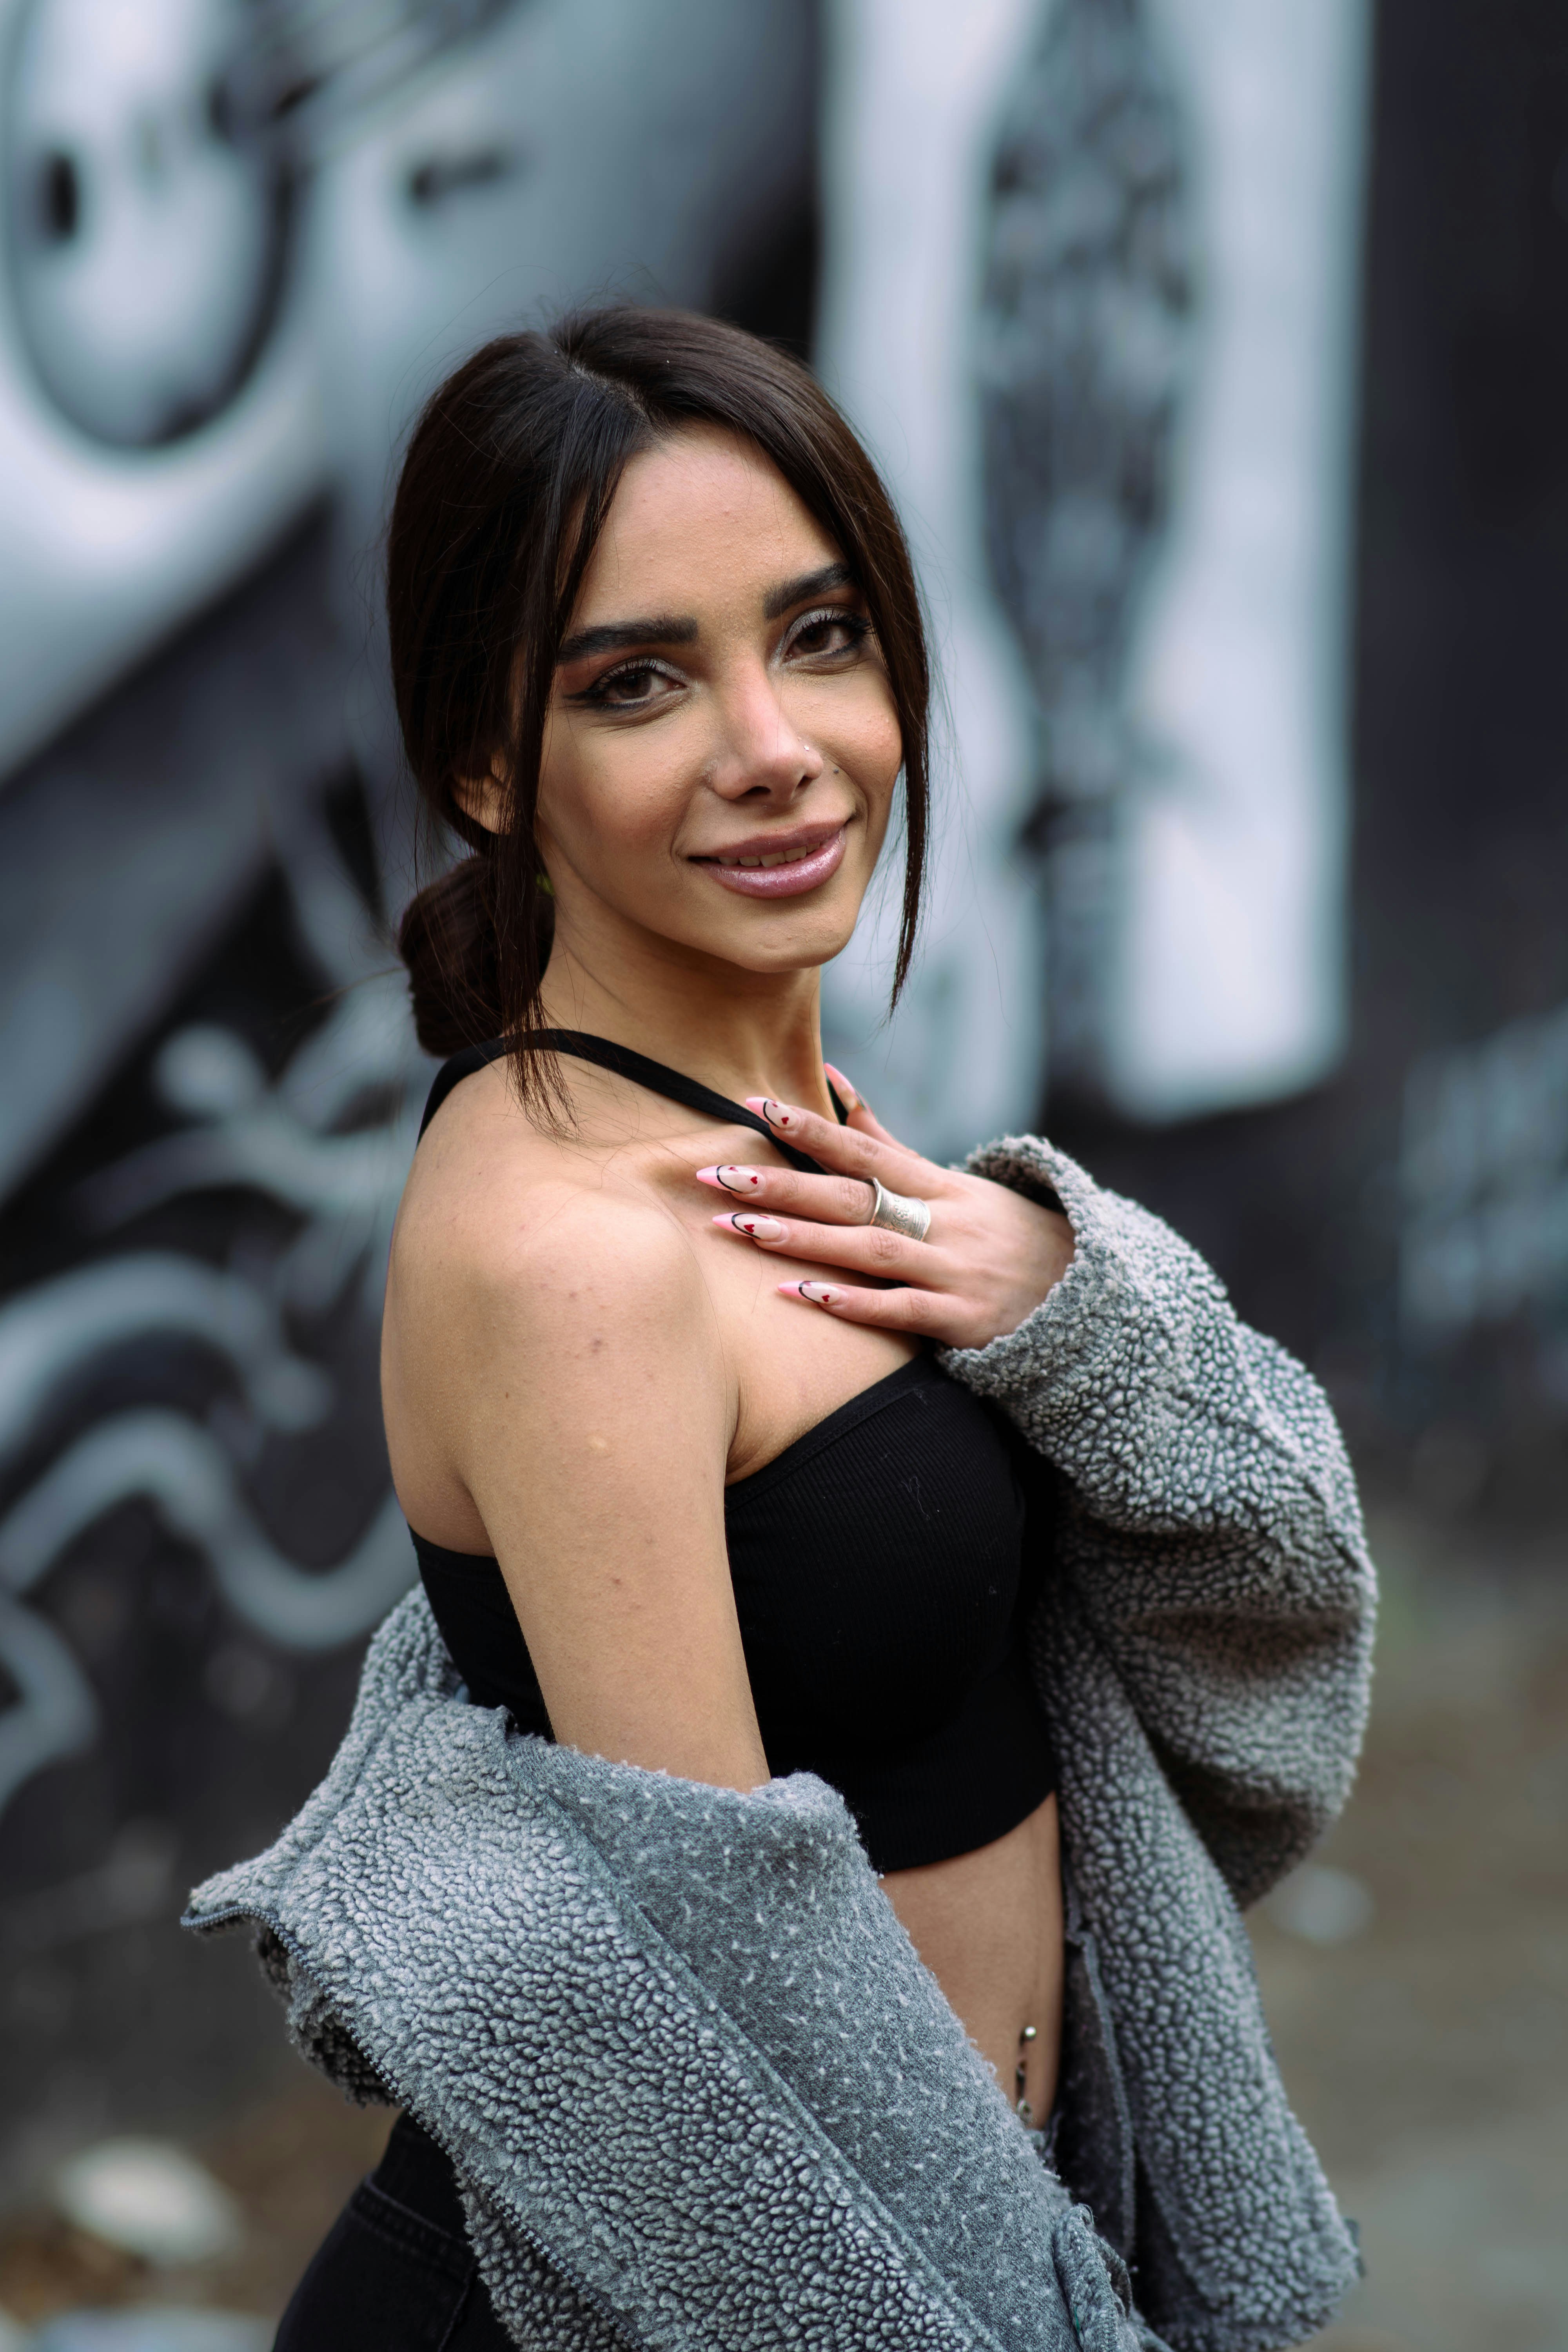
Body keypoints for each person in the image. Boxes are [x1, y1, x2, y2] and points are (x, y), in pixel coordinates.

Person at [187, 308, 1375, 2352]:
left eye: (819, 637)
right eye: (639, 681)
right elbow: (730, 2052)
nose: (774, 742)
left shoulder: (800, 1153)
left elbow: (1266, 1646)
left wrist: (1069, 1304)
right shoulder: (577, 1255)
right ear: (488, 761)